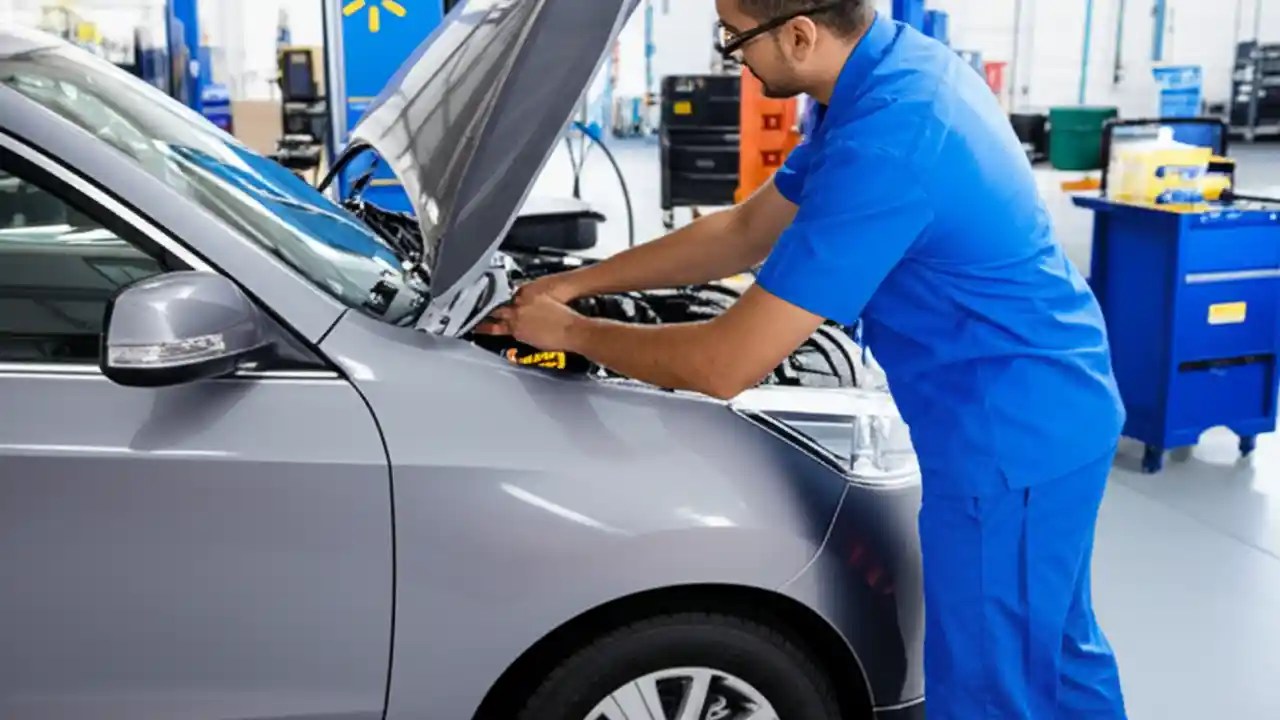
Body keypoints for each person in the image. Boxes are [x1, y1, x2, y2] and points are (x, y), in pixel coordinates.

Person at [478, 1, 1129, 717]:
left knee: (989, 686)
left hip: (1007, 440)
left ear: (799, 34)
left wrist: (572, 334)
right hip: (1058, 400)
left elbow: (725, 363)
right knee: (1060, 655)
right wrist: (578, 284)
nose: (734, 55)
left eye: (736, 38)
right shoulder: (883, 74)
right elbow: (745, 229)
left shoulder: (891, 140)